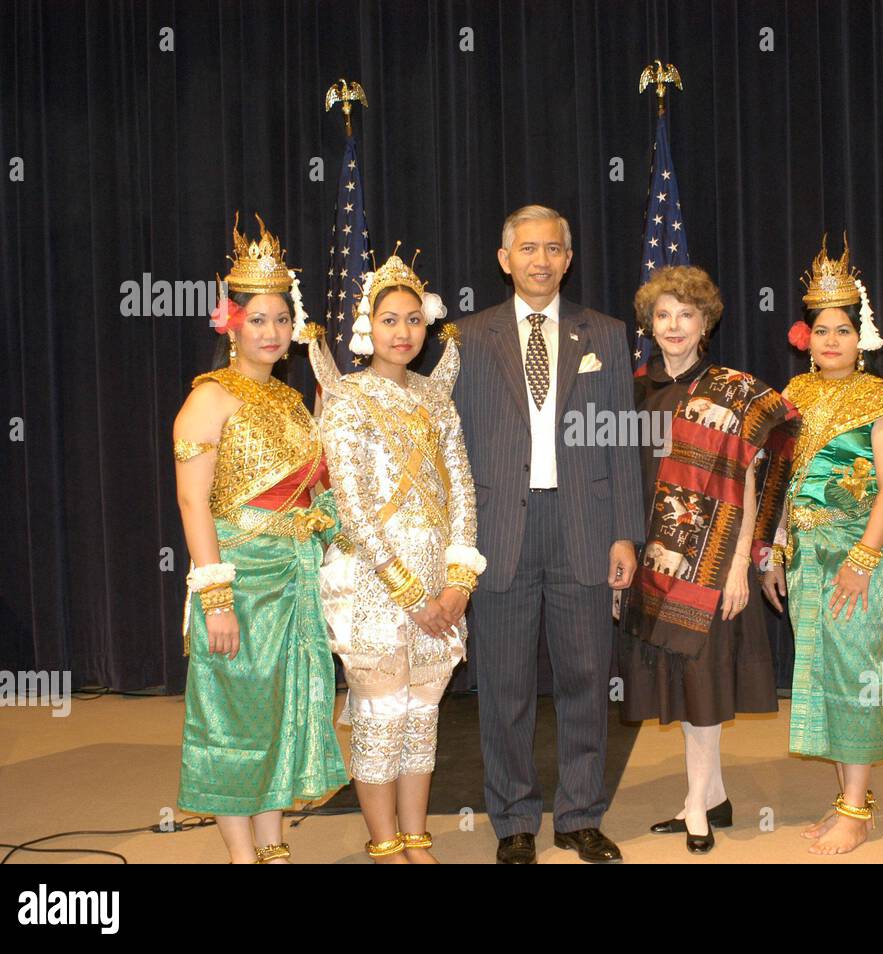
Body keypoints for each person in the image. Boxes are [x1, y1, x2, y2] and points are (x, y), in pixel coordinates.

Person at [452, 205, 644, 864]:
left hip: (584, 527)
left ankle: (579, 815)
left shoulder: (607, 335)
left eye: (553, 249)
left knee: (586, 679)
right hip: (498, 529)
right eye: (527, 249)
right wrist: (455, 541)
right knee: (502, 685)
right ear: (505, 260)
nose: (541, 260)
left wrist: (627, 532)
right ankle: (512, 821)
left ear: (569, 258)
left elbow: (621, 440)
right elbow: (451, 448)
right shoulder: (467, 338)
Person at [173, 213, 348, 863]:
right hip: (240, 583)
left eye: (282, 318)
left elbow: (317, 495)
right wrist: (214, 597)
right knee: (234, 719)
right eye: (259, 319)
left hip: (293, 585)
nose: (272, 331)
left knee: (282, 717)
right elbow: (193, 502)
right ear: (231, 322)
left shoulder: (293, 401)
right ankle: (243, 856)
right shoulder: (209, 399)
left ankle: (274, 848)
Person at [309, 248, 483, 864]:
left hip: (441, 583)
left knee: (421, 716)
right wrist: (412, 595)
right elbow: (352, 505)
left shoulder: (439, 399)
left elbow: (463, 491)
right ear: (367, 327)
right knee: (380, 716)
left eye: (414, 320)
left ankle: (416, 838)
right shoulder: (347, 397)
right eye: (390, 320)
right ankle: (384, 843)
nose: (403, 331)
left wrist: (458, 584)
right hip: (374, 584)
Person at [617, 266, 799, 854]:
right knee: (681, 682)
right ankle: (712, 794)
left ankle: (696, 804)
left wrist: (742, 559)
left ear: (705, 322)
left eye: (686, 315)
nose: (673, 326)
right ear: (649, 321)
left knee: (704, 682)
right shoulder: (631, 389)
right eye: (663, 315)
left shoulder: (731, 390)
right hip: (653, 559)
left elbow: (750, 477)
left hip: (715, 559)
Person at [761, 233, 883, 856]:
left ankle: (857, 808)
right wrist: (774, 554)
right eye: (821, 330)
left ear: (864, 338)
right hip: (804, 556)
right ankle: (843, 801)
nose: (832, 341)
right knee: (824, 675)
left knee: (856, 672)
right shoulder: (794, 396)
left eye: (843, 331)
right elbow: (779, 480)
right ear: (807, 338)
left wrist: (861, 562)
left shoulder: (881, 404)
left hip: (860, 558)